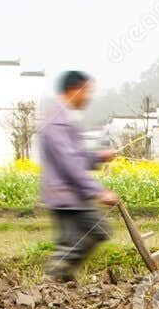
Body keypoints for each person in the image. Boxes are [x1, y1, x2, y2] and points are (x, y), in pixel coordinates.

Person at [39, 70, 119, 281]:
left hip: (68, 195)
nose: (88, 98)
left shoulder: (62, 118)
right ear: (75, 89)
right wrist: (98, 192)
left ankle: (60, 281)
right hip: (66, 195)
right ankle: (55, 276)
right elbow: (69, 162)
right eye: (87, 92)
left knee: (75, 239)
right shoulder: (58, 122)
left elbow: (75, 156)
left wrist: (98, 157)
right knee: (94, 232)